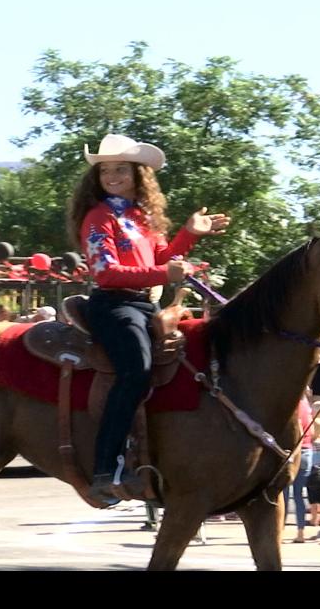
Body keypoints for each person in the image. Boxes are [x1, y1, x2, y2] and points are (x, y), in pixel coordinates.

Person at [69, 133, 231, 505]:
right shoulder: (98, 217)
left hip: (144, 305)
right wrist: (163, 274)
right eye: (105, 171)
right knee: (136, 371)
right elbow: (106, 272)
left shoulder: (141, 217)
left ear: (138, 175)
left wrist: (189, 234)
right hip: (113, 306)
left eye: (120, 170)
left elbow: (163, 258)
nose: (111, 176)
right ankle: (106, 468)